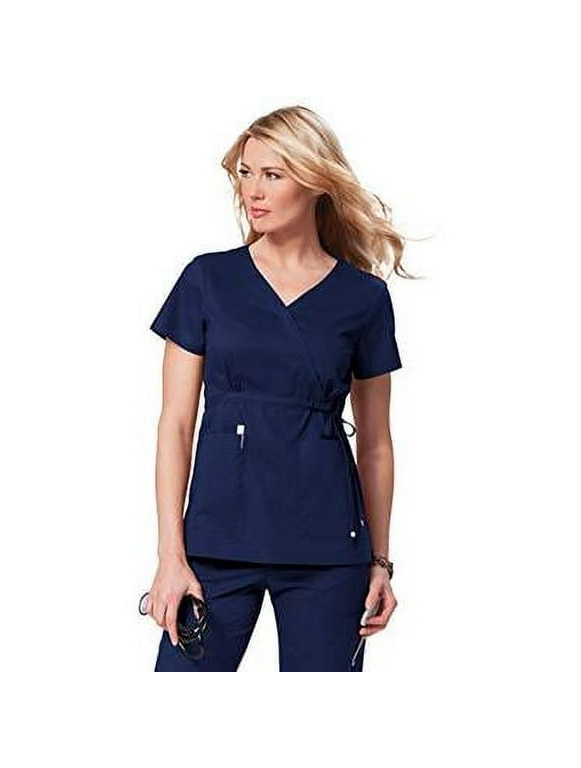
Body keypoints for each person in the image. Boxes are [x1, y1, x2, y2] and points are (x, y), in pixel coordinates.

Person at [141, 105, 416, 671]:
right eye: (246, 173)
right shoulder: (207, 279)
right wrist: (170, 554)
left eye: (273, 174)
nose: (253, 191)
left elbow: (376, 443)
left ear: (315, 181)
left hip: (329, 549)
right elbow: (175, 424)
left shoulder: (363, 298)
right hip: (216, 541)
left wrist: (381, 560)